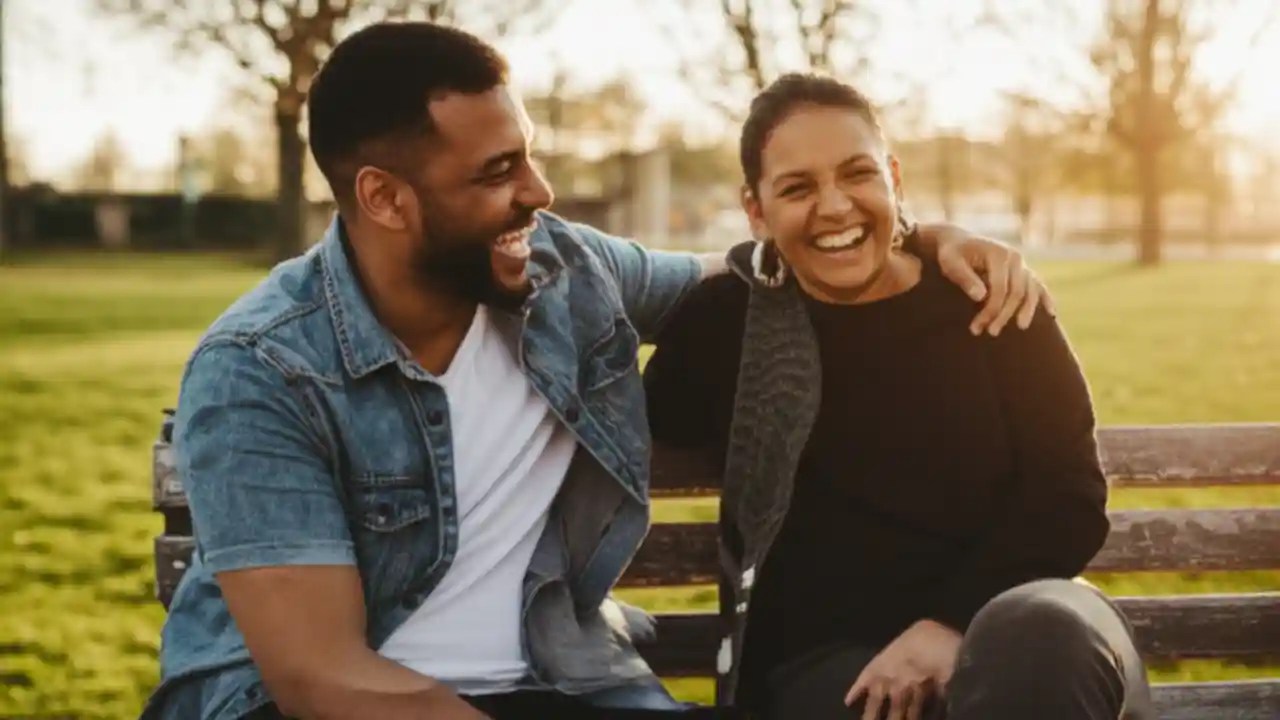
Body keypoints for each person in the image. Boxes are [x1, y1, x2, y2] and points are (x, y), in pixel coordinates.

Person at [140, 24, 1050, 720]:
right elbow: (318, 675)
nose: (538, 191)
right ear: (383, 196)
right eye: (498, 171)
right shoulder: (262, 369)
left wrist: (922, 235)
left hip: (560, 679)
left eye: (530, 154)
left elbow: (758, 269)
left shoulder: (563, 270)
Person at [645, 73, 1155, 720]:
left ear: (894, 177)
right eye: (797, 188)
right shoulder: (727, 325)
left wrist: (949, 625)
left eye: (857, 175)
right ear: (756, 210)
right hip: (834, 667)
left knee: (1039, 639)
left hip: (1030, 631)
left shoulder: (988, 299)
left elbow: (1070, 498)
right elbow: (635, 397)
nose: (835, 206)